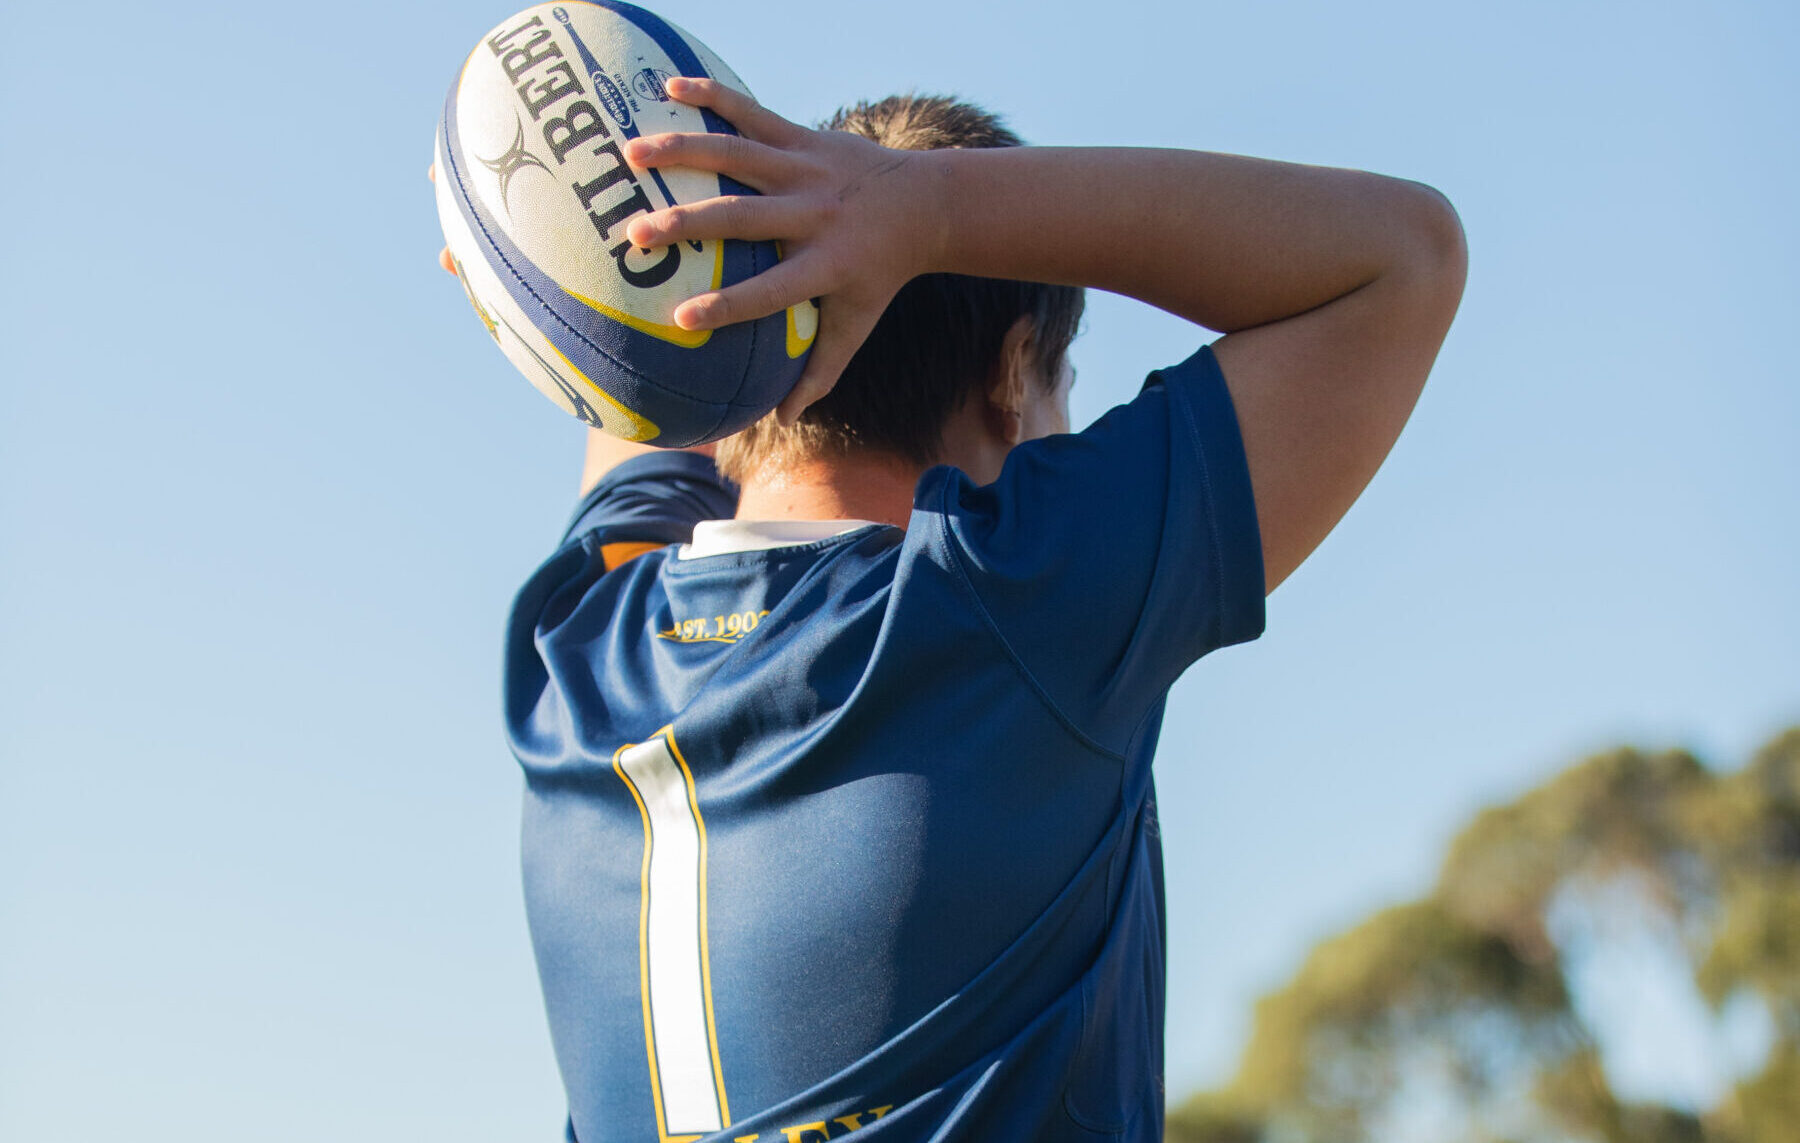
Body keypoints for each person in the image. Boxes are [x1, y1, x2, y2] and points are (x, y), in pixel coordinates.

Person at [450, 78, 1465, 1142]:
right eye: (1064, 378)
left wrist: (550, 245)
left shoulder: (577, 647)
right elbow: (1404, 253)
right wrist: (926, 212)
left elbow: (653, 354)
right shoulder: (1008, 606)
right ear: (1013, 370)